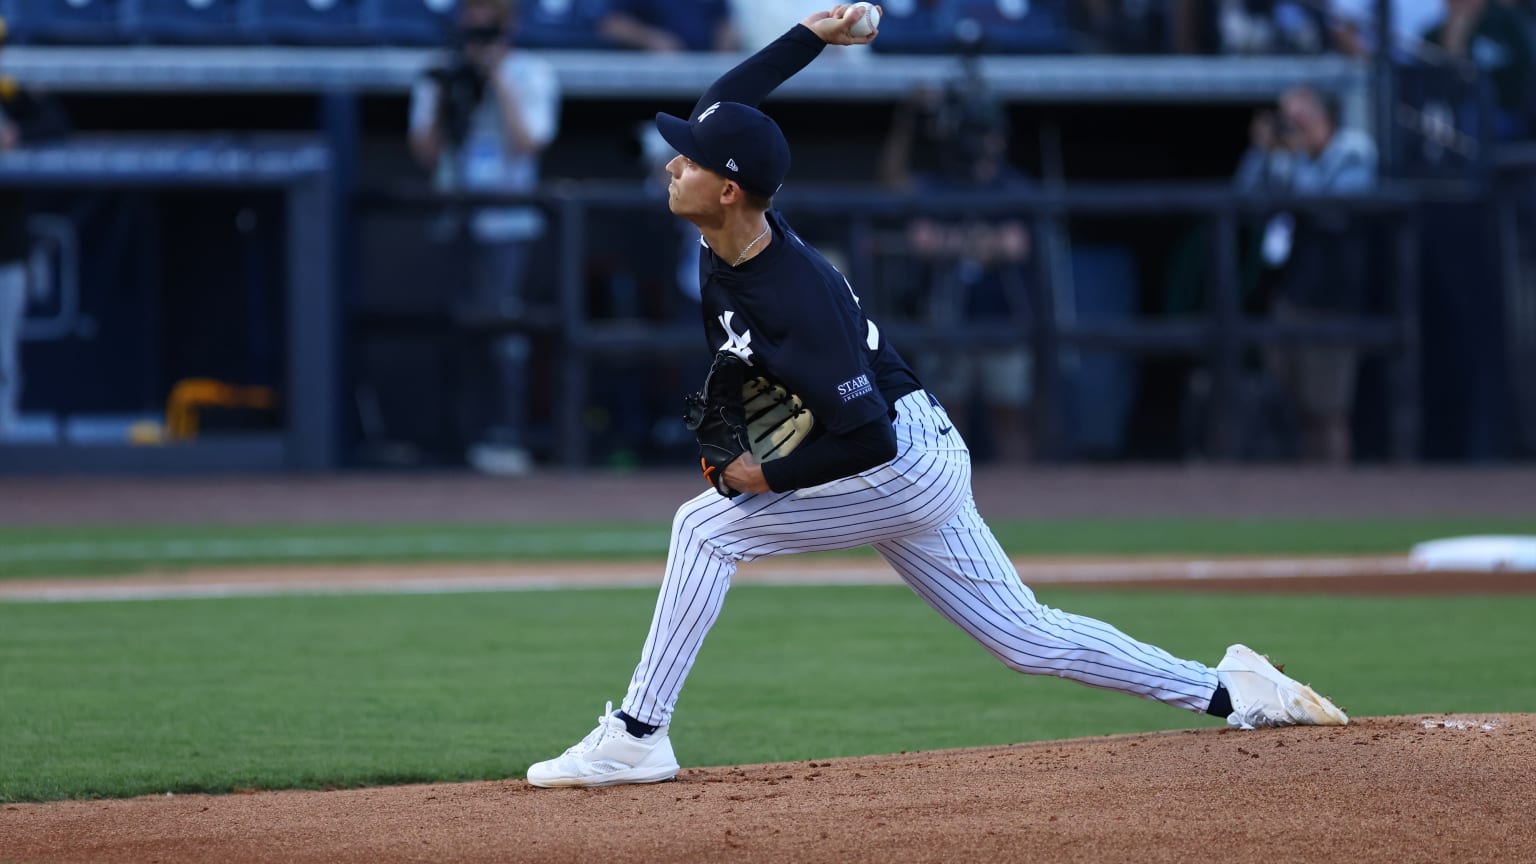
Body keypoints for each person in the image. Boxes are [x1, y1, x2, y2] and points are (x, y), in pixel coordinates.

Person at [526, 4, 1349, 790]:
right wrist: (812, 33)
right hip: (918, 443)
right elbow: (729, 101)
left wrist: (764, 479)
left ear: (731, 190)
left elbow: (868, 440)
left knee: (703, 529)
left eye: (689, 160)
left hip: (895, 460)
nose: (672, 162)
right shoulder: (731, 216)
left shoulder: (796, 300)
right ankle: (1234, 691)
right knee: (1025, 638)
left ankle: (637, 737)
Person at [408, 0, 560, 474]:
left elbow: (529, 141)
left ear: (508, 25)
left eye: (488, 26)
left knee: (503, 333)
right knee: (452, 329)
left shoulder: (530, 71)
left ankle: (506, 434)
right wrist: (450, 94)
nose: (478, 35)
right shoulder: (439, 72)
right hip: (453, 217)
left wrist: (495, 78)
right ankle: (454, 436)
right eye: (471, 24)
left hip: (508, 223)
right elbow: (426, 154)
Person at [881, 82, 1035, 464]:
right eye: (978, 134)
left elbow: (1016, 244)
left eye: (991, 135)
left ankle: (1032, 502)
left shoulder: (1013, 185)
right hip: (946, 317)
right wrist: (906, 122)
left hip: (1004, 316)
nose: (985, 143)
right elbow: (914, 224)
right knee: (946, 420)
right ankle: (954, 505)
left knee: (1011, 418)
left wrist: (957, 240)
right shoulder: (937, 183)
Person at [1236, 85, 1378, 464]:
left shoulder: (1352, 152)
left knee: (1327, 410)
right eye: (1286, 120)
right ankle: (1298, 500)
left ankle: (1337, 496)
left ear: (1324, 118)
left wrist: (1294, 157)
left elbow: (1332, 212)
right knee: (1284, 407)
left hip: (1333, 302)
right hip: (1288, 296)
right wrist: (1261, 152)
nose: (1291, 129)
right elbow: (1246, 201)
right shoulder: (1286, 158)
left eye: (1299, 120)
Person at [0, 17, 69, 441]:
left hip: (4, 247)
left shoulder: (11, 90)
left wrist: (16, 133)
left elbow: (58, 124)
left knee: (2, 349)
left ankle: (4, 430)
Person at [599, 0, 742, 52]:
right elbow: (612, 24)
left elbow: (724, 24)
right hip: (653, 79)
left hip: (701, 80)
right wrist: (651, 39)